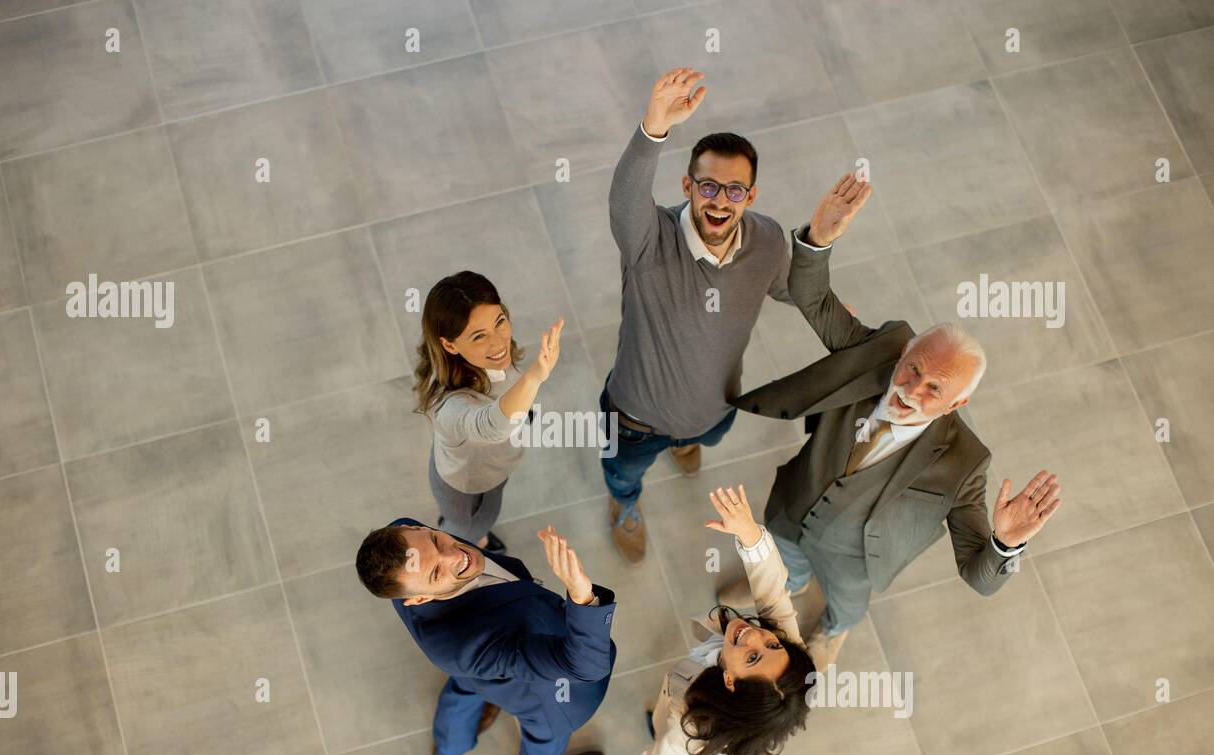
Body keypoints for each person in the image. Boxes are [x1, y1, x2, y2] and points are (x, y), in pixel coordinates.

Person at [722, 174, 1064, 667]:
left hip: (855, 562)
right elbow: (813, 299)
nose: (911, 390)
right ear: (903, 351)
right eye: (913, 368)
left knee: (844, 607)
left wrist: (1006, 542)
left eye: (934, 390)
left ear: (955, 406)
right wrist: (818, 240)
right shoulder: (875, 352)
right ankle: (784, 586)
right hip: (792, 509)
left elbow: (978, 577)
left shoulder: (965, 463)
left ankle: (833, 630)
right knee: (782, 565)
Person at [602, 67, 795, 565]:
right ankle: (624, 505)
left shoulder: (768, 239)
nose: (719, 201)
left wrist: (824, 306)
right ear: (688, 185)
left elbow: (783, 284)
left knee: (704, 436)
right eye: (708, 186)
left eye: (734, 191)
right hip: (636, 421)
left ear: (750, 198)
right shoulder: (649, 241)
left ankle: (687, 445)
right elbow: (625, 199)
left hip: (715, 409)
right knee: (622, 474)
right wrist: (653, 127)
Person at [355, 519, 615, 755]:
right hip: (537, 691)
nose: (457, 555)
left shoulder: (402, 539)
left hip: (482, 663)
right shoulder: (466, 647)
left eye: (437, 542)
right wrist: (581, 596)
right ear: (419, 599)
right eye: (437, 572)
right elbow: (586, 667)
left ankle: (450, 748)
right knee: (546, 734)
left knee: (467, 683)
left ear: (417, 531)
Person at [642, 484, 815, 755]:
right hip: (731, 722)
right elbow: (772, 593)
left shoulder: (692, 729)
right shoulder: (786, 661)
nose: (758, 636)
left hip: (699, 747)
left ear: (731, 682)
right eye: (772, 645)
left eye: (752, 657)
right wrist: (751, 537)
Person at [414, 270, 565, 553]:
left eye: (500, 322)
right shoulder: (449, 407)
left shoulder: (468, 358)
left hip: (479, 464)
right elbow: (492, 426)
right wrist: (534, 377)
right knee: (466, 530)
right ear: (449, 344)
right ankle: (476, 542)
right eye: (479, 336)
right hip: (469, 488)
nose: (498, 343)